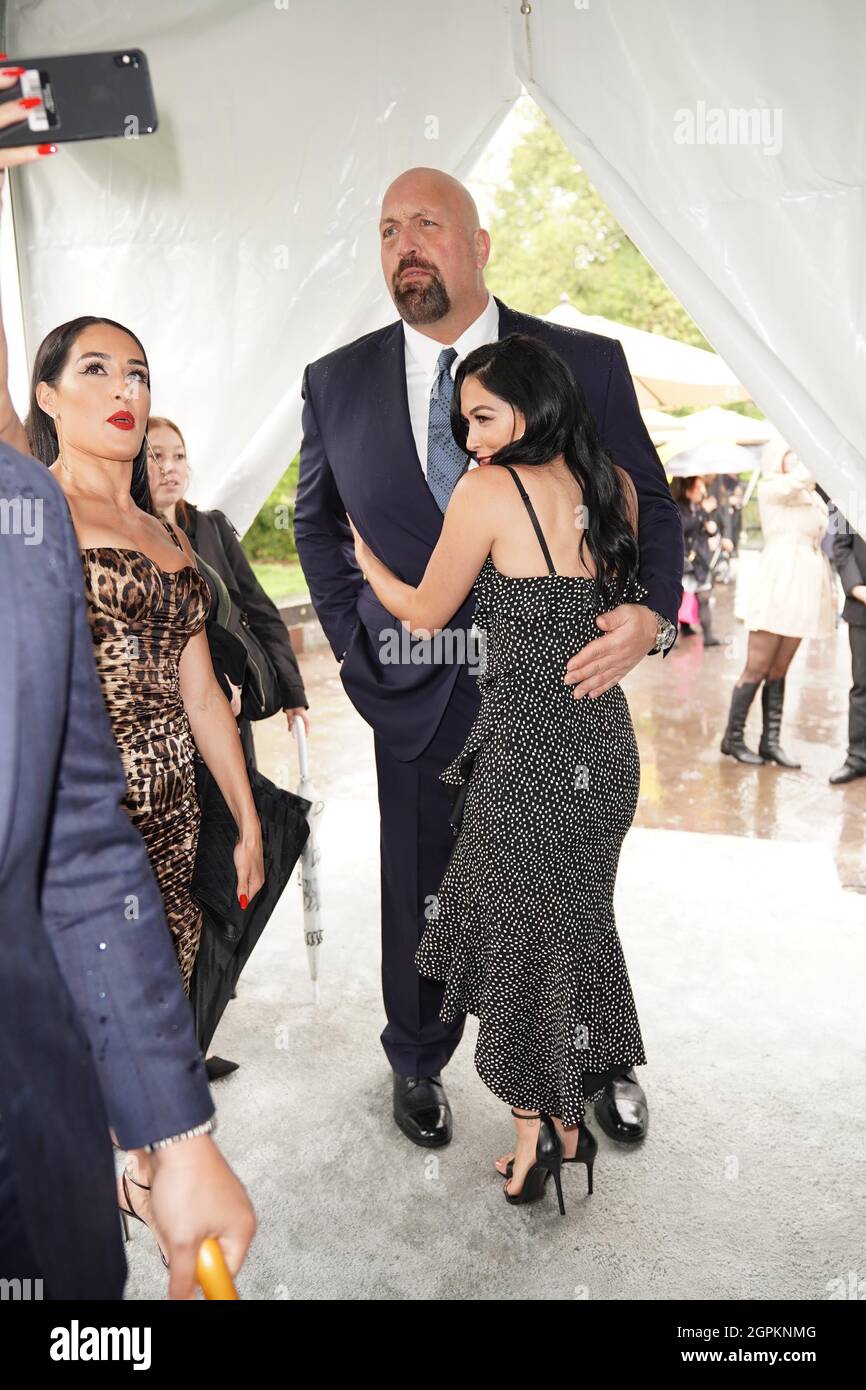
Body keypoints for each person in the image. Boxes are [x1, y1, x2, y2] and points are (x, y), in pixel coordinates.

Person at [294, 166, 682, 1152]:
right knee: (422, 880)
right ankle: (417, 1059)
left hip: (559, 694)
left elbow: (652, 501)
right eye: (386, 230)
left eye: (427, 223)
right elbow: (314, 527)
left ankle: (592, 1056)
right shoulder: (332, 380)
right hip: (410, 695)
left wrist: (647, 616)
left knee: (560, 879)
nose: (404, 244)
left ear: (479, 244)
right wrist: (356, 650)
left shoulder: (582, 361)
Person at [349, 333, 649, 1210]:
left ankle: (537, 1139)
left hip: (528, 758)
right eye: (461, 419)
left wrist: (364, 559)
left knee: (513, 942)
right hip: (605, 753)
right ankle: (562, 1123)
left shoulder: (488, 490)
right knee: (567, 931)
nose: (469, 437)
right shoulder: (611, 487)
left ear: (534, 401)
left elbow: (424, 609)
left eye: (482, 414)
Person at [0, 439, 256, 1299]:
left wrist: (178, 1133)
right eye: (97, 368)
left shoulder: (19, 511)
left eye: (136, 370)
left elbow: (77, 842)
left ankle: (134, 1158)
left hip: (154, 806)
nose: (124, 390)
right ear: (47, 394)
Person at [146, 414, 310, 771]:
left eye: (178, 456)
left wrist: (293, 692)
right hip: (173, 719)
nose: (169, 468)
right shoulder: (128, 541)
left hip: (234, 705)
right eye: (155, 456)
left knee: (242, 803)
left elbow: (260, 610)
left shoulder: (212, 527)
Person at [720, 439, 835, 766]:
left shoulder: (811, 497)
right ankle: (733, 737)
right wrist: (815, 456)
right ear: (776, 460)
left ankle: (770, 741)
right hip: (779, 584)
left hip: (806, 588)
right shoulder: (774, 488)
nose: (799, 459)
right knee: (756, 666)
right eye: (792, 454)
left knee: (780, 668)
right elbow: (802, 477)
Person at [828, 504, 866, 784]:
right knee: (862, 685)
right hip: (861, 605)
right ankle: (857, 756)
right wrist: (856, 587)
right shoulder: (850, 491)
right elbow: (840, 546)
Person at [671, 475, 730, 647]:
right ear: (687, 489)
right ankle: (671, 637)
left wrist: (712, 531)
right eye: (699, 487)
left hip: (700, 561)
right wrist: (703, 511)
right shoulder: (677, 507)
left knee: (703, 597)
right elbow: (683, 527)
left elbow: (706, 529)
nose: (703, 491)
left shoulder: (699, 508)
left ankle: (708, 636)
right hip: (684, 560)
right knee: (676, 599)